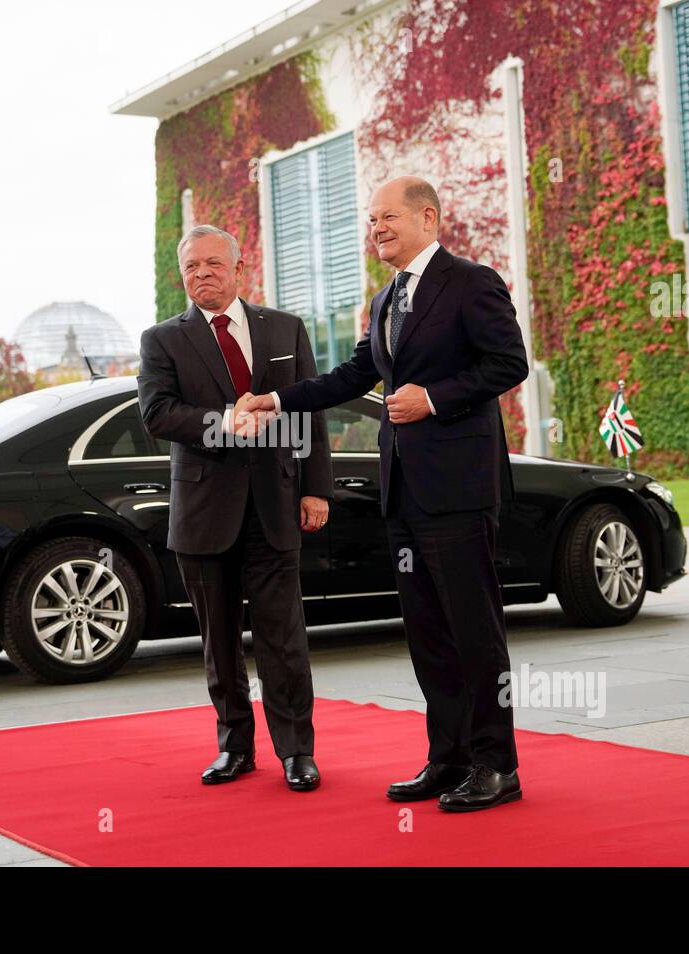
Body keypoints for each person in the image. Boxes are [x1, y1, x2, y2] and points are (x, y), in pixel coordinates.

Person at [248, 177, 529, 811]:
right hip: (403, 494)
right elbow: (353, 374)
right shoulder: (384, 300)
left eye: (387, 217)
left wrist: (432, 398)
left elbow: (509, 363)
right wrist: (275, 398)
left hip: (458, 490)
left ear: (428, 217)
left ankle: (497, 765)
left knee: (474, 632)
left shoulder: (473, 282)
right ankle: (448, 758)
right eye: (370, 219)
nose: (375, 228)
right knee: (428, 633)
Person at [137, 224, 332, 791]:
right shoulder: (162, 340)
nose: (203, 275)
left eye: (213, 264)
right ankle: (235, 746)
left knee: (284, 637)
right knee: (218, 641)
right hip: (204, 509)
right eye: (192, 267)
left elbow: (311, 410)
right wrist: (224, 421)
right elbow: (157, 414)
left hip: (275, 503)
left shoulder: (285, 328)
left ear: (238, 269)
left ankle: (297, 750)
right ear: (183, 277)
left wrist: (315, 488)